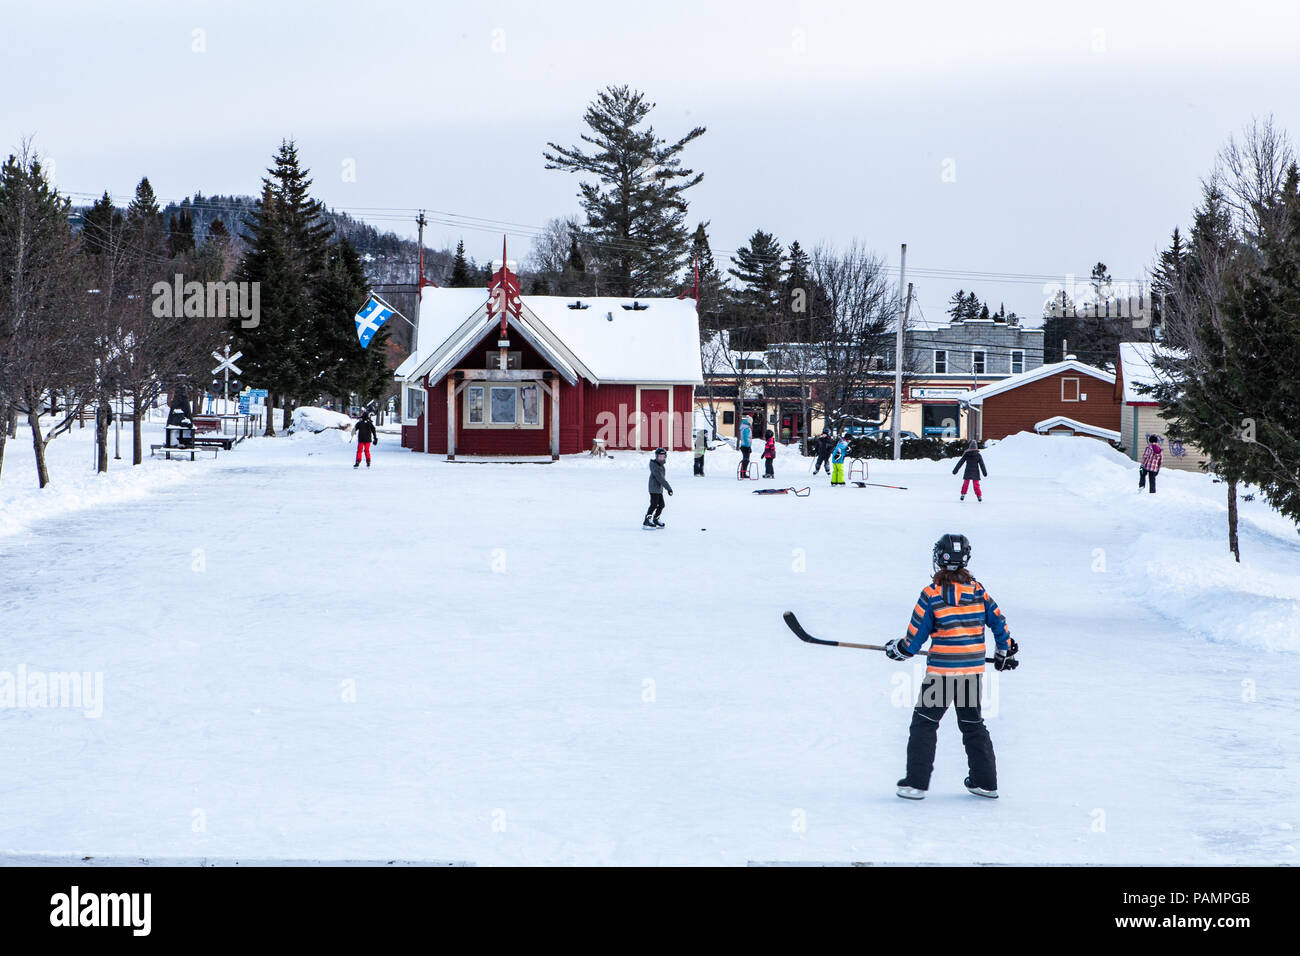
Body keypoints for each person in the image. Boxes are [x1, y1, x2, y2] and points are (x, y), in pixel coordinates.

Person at [884, 534, 1018, 800]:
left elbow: (914, 640)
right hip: (971, 672)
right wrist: (1003, 650)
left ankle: (916, 783)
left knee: (924, 724)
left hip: (941, 675)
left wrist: (899, 649)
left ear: (939, 559)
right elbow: (999, 621)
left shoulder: (931, 594)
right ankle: (985, 782)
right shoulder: (978, 590)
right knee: (972, 723)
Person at [644, 446, 673, 528]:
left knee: (661, 505)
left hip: (659, 489)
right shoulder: (655, 466)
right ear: (656, 457)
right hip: (654, 489)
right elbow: (660, 478)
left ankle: (656, 519)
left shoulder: (661, 466)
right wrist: (668, 488)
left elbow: (662, 479)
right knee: (654, 504)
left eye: (663, 457)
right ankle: (647, 520)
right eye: (660, 457)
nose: (661, 458)